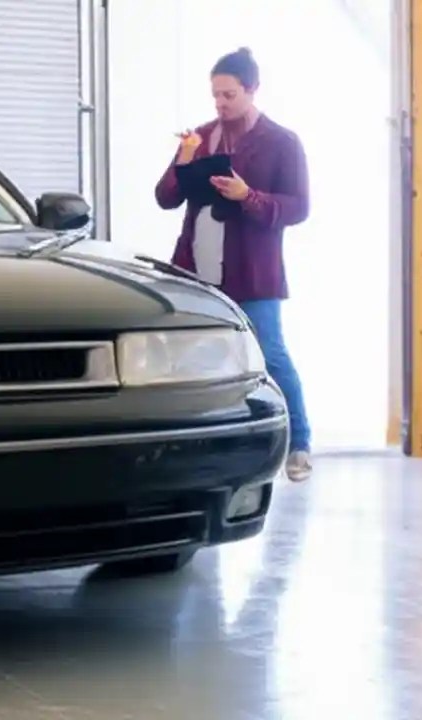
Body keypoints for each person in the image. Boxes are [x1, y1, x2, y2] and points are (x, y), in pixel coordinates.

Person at [154, 47, 313, 481]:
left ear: (252, 90)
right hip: (196, 267)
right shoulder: (201, 136)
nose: (220, 104)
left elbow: (299, 207)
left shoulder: (282, 142)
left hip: (252, 271)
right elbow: (167, 197)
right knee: (192, 355)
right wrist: (184, 160)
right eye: (215, 96)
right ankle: (200, 447)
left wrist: (249, 197)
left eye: (228, 95)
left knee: (272, 355)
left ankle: (299, 443)